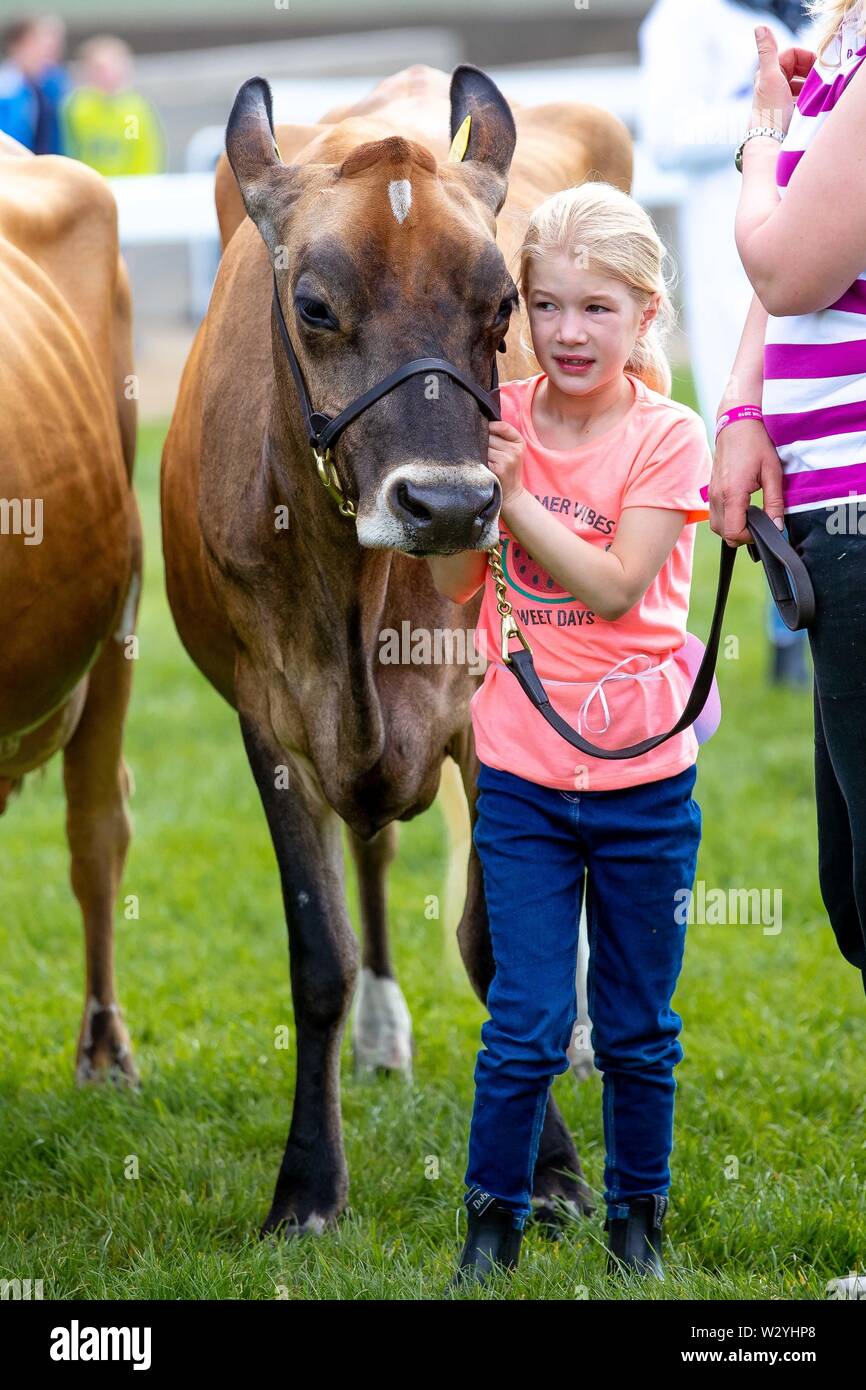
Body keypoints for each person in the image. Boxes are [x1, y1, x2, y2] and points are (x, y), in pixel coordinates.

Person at [427, 181, 713, 1290]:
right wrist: (465, 490)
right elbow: (456, 578)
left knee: (637, 1025)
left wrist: (510, 497)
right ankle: (490, 1221)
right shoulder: (495, 417)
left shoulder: (667, 437)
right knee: (526, 1022)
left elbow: (609, 583)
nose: (567, 333)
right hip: (524, 782)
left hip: (643, 782)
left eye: (597, 309)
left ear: (646, 316)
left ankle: (636, 1218)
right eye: (545, 307)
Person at [711, 0, 866, 1001]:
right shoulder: (845, 44)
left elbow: (785, 263)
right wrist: (739, 404)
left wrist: (762, 137)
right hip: (833, 515)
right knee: (849, 889)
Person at [640, 0, 817, 688]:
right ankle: (787, 630)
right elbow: (667, 134)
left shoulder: (813, 10)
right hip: (730, 244)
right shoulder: (682, 18)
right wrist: (766, 116)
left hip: (819, 231)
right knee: (758, 425)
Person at [62, 35, 164, 176]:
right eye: (98, 69)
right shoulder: (75, 108)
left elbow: (141, 151)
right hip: (89, 185)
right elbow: (69, 149)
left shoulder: (134, 110)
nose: (106, 74)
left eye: (112, 66)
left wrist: (139, 184)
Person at [0, 14, 69, 154]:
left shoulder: (53, 84)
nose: (48, 48)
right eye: (38, 42)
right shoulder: (6, 90)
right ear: (18, 45)